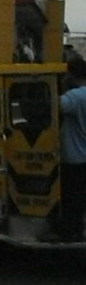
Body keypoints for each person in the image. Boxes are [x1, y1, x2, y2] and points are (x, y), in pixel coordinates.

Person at [50, 57, 86, 241]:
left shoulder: (74, 98)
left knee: (72, 199)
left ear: (70, 74)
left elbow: (52, 107)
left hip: (74, 158)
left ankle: (72, 233)